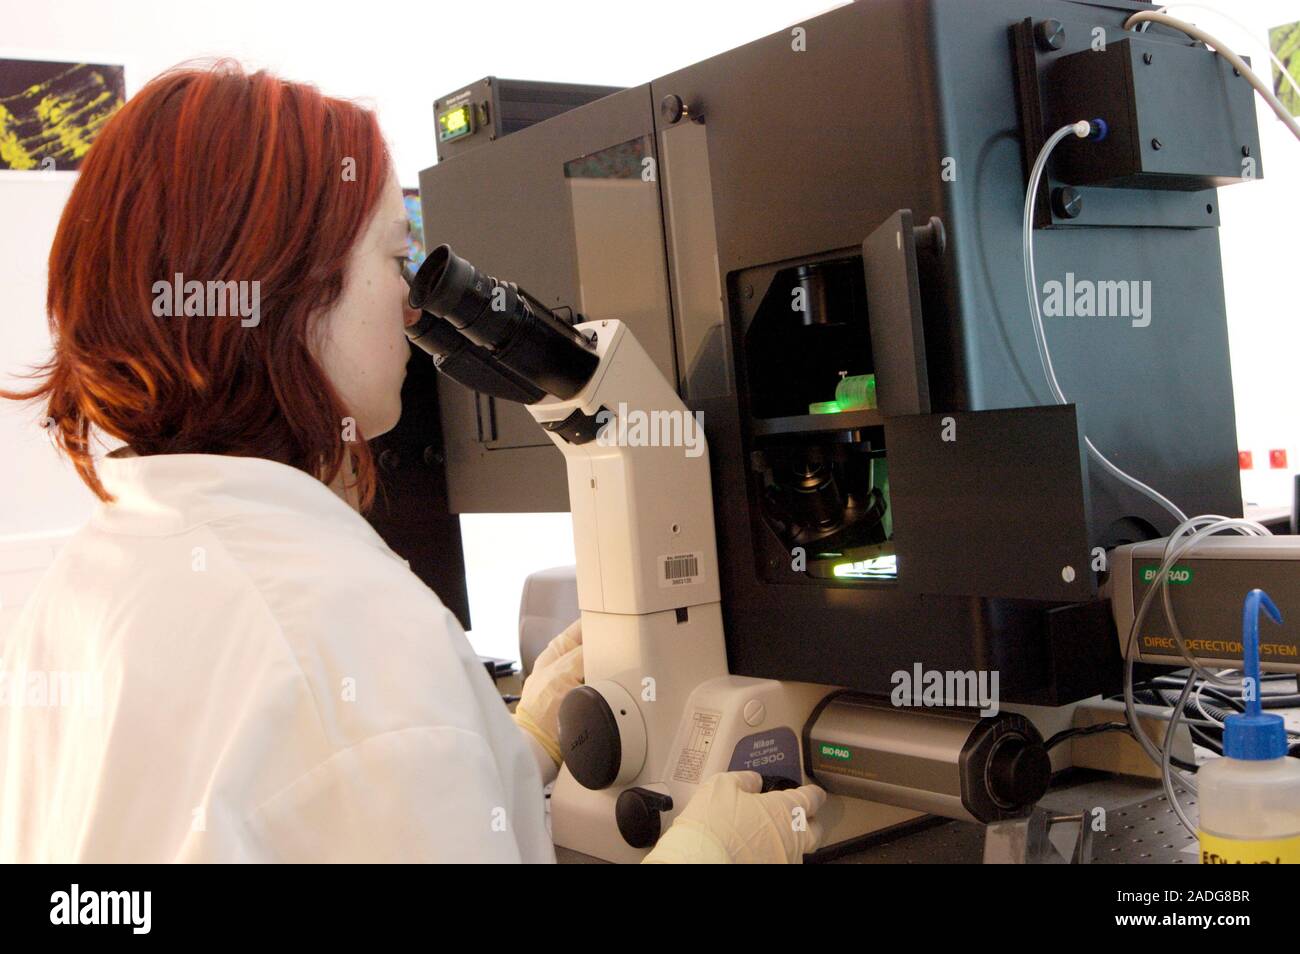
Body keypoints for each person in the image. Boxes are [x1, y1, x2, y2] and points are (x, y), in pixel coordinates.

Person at [0, 62, 824, 863]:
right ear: (290, 293)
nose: (411, 304)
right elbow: (340, 745)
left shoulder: (92, 582)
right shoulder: (348, 630)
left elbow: (290, 805)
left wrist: (497, 747)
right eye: (398, 262)